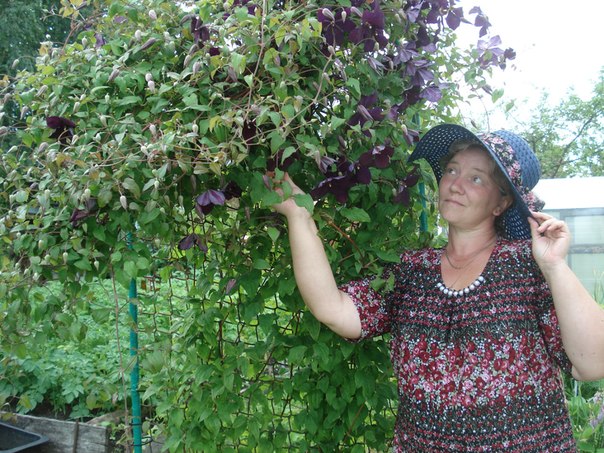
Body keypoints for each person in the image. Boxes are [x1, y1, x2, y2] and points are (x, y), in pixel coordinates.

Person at [272, 123, 604, 452]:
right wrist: (298, 215)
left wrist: (554, 265)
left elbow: (593, 363)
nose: (456, 185)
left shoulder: (528, 267)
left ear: (501, 203)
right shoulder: (412, 271)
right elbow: (334, 309)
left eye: (476, 178)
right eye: (451, 171)